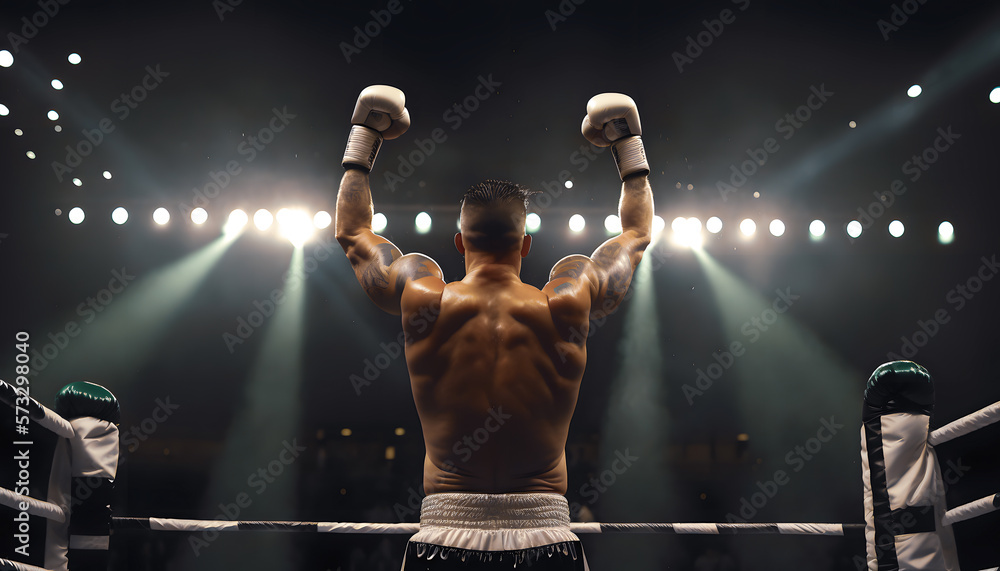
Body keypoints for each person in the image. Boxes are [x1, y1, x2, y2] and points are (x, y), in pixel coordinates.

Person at [334, 85, 653, 570]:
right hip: (545, 539)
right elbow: (635, 236)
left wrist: (363, 139)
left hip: (445, 539)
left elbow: (353, 233)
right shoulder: (567, 302)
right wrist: (628, 146)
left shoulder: (425, 297)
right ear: (525, 244)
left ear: (459, 242)